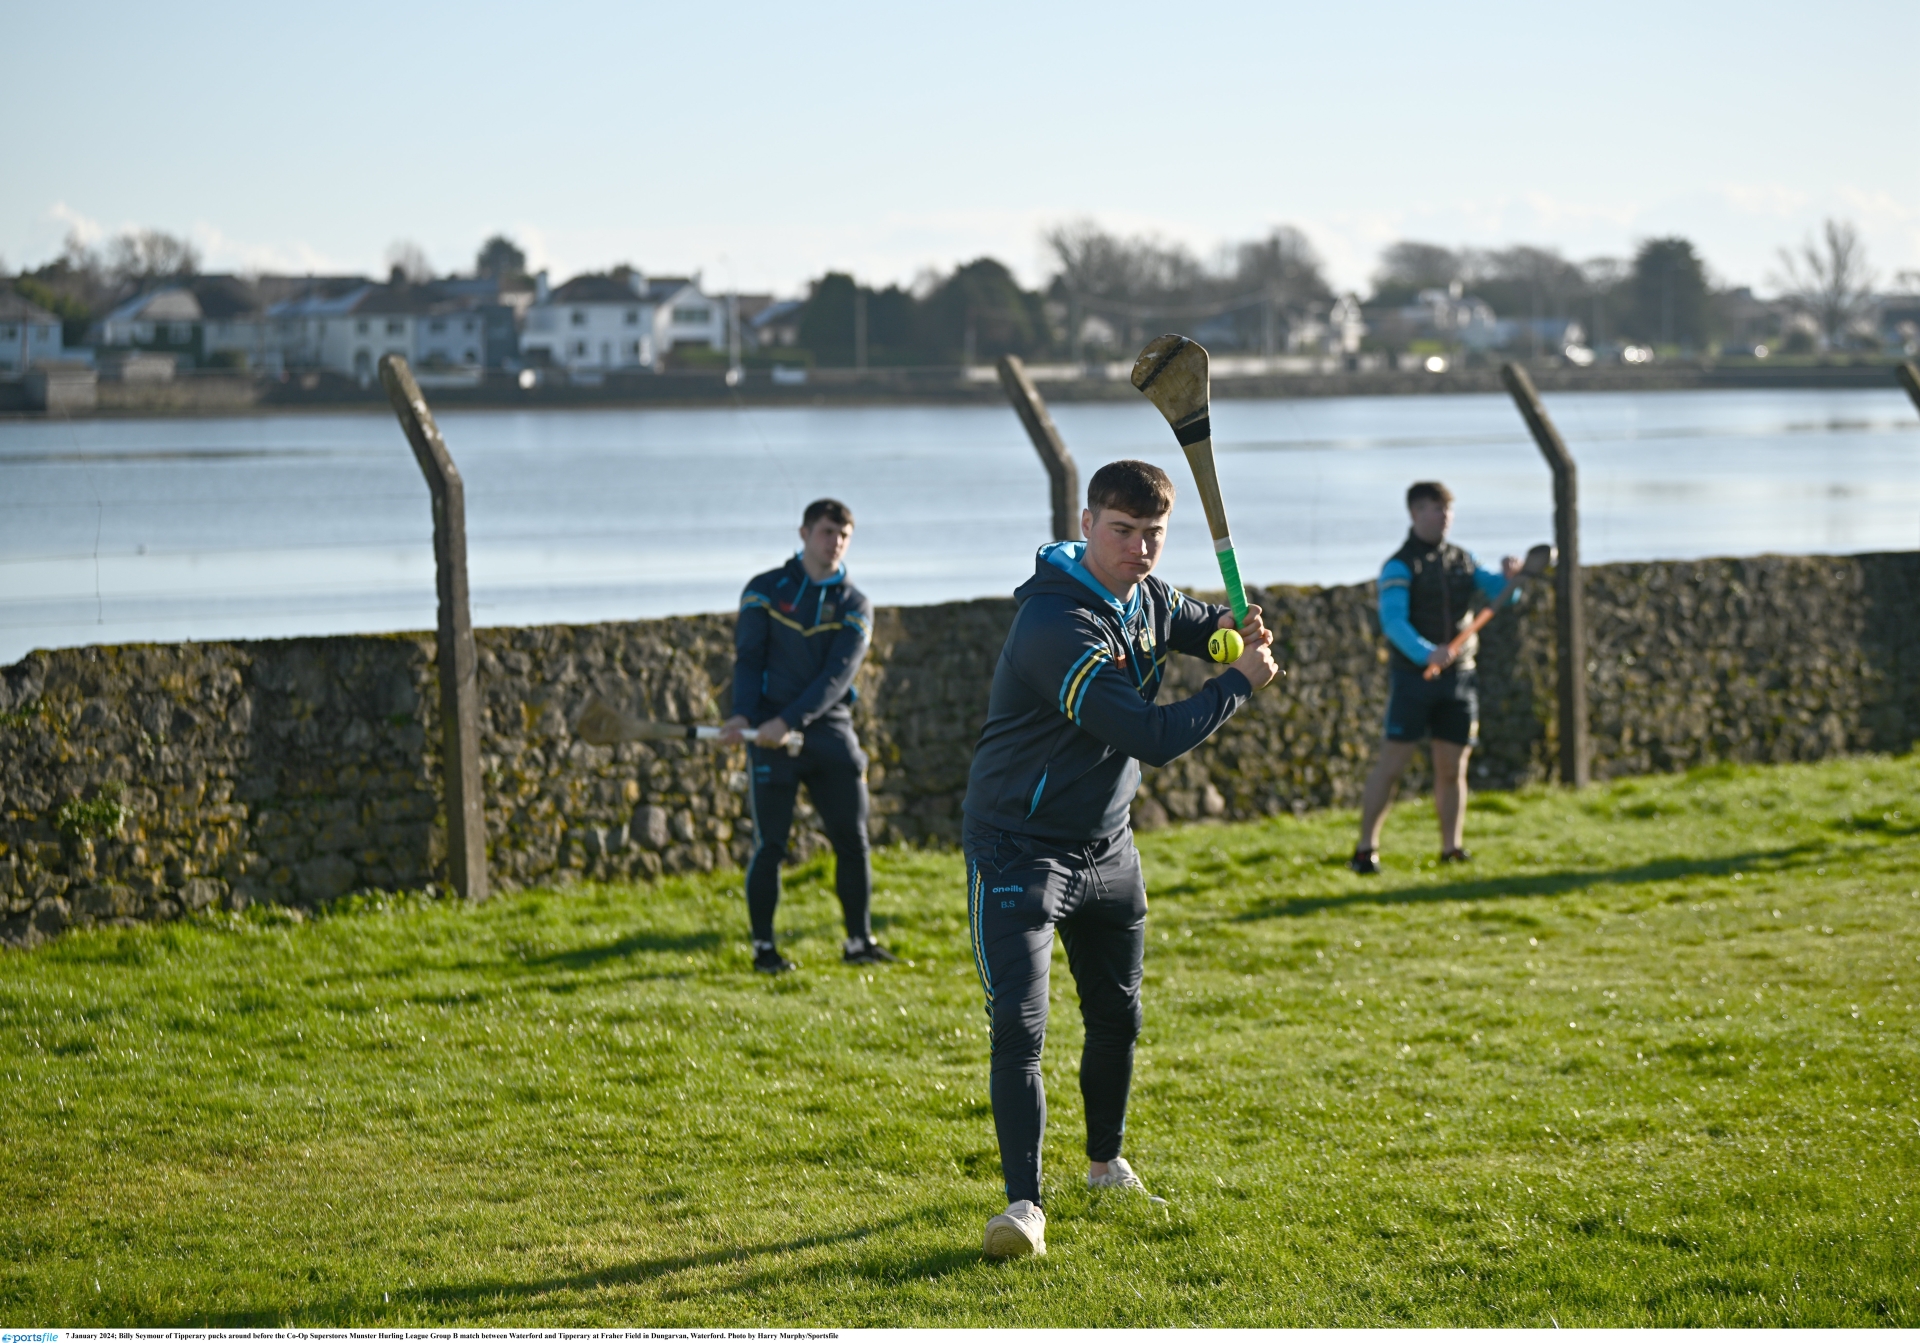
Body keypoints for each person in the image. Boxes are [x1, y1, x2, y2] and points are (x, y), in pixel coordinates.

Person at [961, 459, 1280, 1259]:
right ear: (1087, 521)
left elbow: (1197, 621)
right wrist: (1237, 683)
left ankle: (1105, 1165)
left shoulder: (1144, 594)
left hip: (1108, 846)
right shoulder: (1053, 625)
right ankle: (1023, 1208)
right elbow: (1148, 735)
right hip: (1019, 853)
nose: (1139, 549)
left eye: (1153, 535)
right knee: (1020, 1030)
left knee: (1117, 1016)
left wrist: (1232, 629)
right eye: (1122, 531)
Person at [722, 498, 894, 972]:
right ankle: (764, 951)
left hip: (830, 735)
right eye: (825, 532)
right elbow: (748, 658)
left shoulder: (855, 605)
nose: (834, 542)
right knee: (770, 845)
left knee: (852, 841)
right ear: (803, 534)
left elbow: (835, 679)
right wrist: (742, 716)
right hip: (769, 737)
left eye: (843, 536)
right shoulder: (763, 590)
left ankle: (858, 942)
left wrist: (788, 722)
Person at [1350, 481, 1521, 874]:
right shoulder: (1399, 565)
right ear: (1413, 514)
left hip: (1460, 679)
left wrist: (1513, 578)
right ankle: (1364, 849)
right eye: (1431, 508)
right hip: (1414, 679)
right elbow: (1393, 623)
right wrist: (1428, 652)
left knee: (1453, 768)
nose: (1441, 515)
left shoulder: (1463, 559)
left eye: (1446, 508)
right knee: (1391, 765)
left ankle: (1451, 848)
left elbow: (1502, 594)